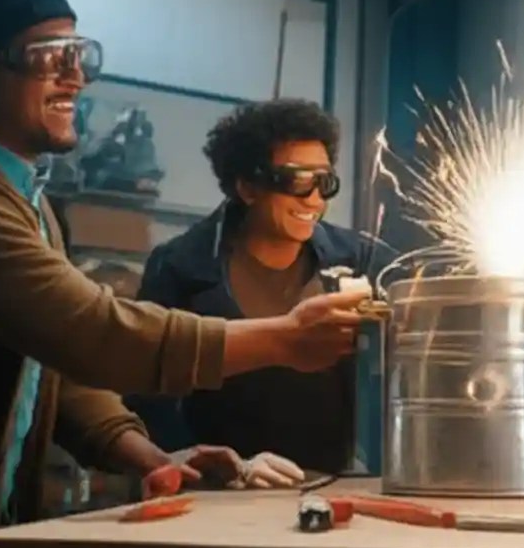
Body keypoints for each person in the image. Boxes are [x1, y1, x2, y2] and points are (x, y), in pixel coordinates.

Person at [0, 0, 366, 548]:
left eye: (78, 53)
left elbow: (54, 359)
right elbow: (96, 336)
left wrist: (148, 455)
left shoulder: (27, 202)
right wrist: (285, 339)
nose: (74, 75)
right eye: (47, 56)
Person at [125, 99, 396, 475]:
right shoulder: (181, 267)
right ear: (248, 187)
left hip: (333, 485)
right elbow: (147, 397)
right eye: (296, 181)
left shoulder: (361, 260)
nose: (314, 199)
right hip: (221, 490)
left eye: (325, 182)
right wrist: (210, 468)